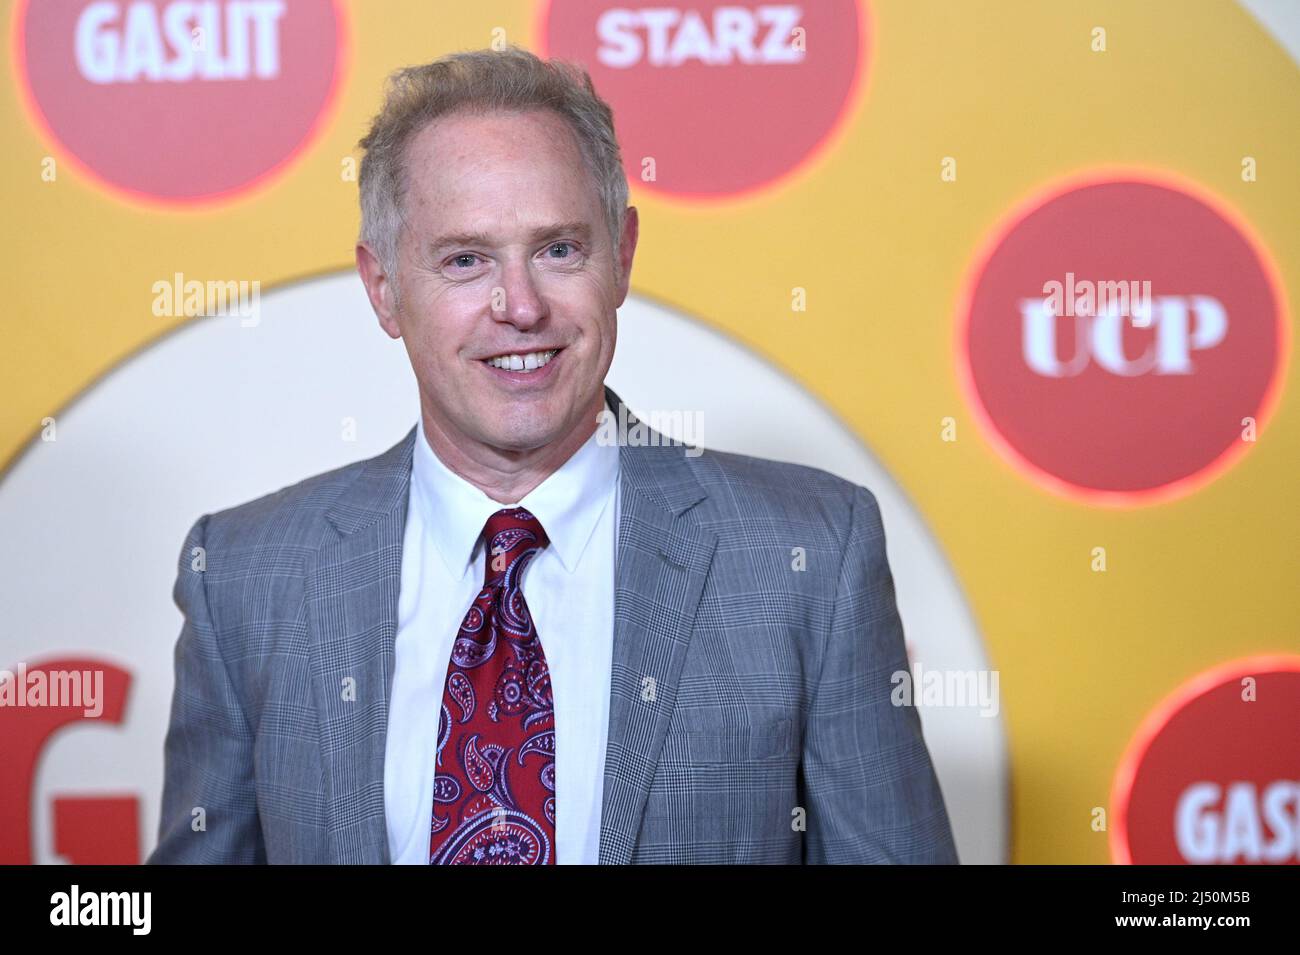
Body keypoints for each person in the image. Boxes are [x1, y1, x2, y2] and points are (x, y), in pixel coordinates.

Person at [148, 45, 957, 865]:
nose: (522, 306)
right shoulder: (246, 578)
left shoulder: (808, 554)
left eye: (558, 250)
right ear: (384, 288)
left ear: (623, 255)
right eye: (466, 260)